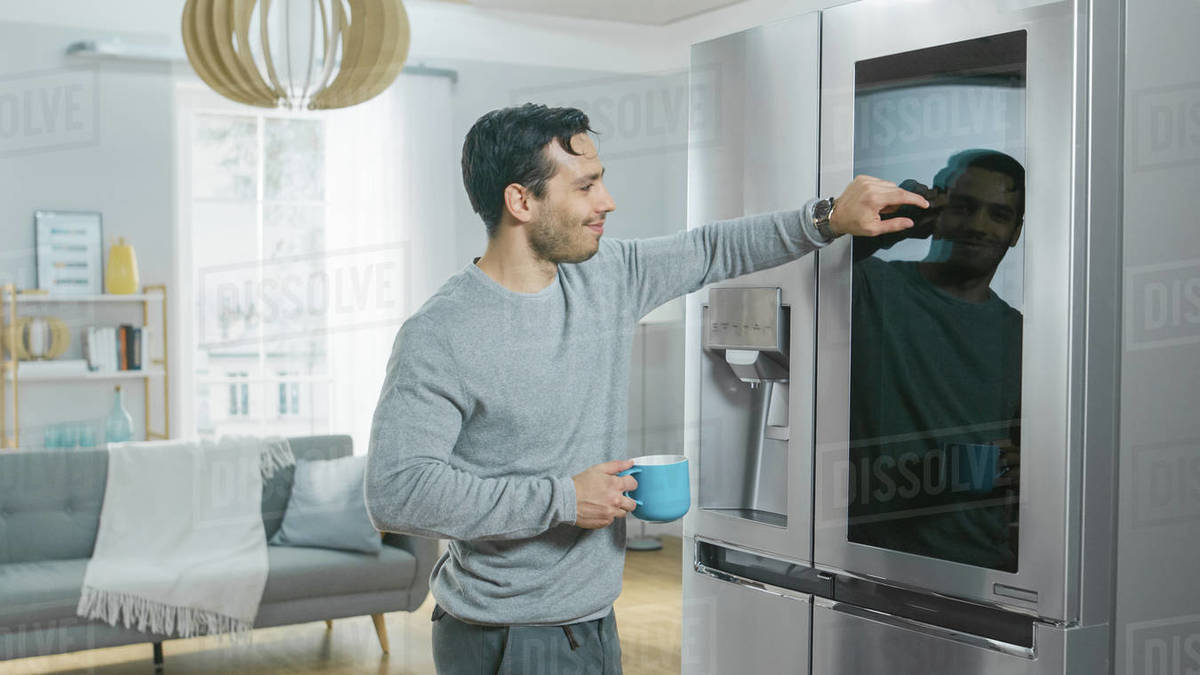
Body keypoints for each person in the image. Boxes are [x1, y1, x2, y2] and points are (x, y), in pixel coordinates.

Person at [364, 103, 927, 674]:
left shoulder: (606, 275)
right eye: (586, 186)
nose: (607, 201)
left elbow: (711, 250)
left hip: (594, 621)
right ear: (522, 201)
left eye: (601, 181)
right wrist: (561, 498)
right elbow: (396, 491)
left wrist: (829, 216)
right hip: (508, 637)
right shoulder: (442, 333)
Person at [846, 149, 1025, 572]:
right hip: (867, 563)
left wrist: (1031, 464)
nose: (979, 226)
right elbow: (791, 271)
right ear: (937, 209)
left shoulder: (1023, 337)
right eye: (963, 207)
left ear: (1016, 232)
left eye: (998, 215)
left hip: (980, 567)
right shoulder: (871, 287)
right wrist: (891, 224)